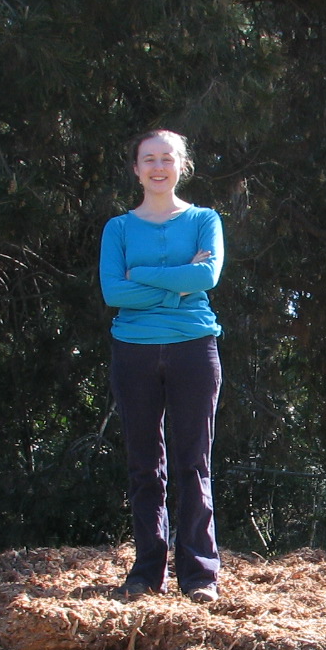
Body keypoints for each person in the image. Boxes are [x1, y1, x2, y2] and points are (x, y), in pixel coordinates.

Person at [99, 129, 225, 602]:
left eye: (166, 158)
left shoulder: (204, 219)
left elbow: (207, 275)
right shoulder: (118, 229)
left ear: (181, 165)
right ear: (135, 168)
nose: (157, 167)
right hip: (133, 349)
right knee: (144, 465)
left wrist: (143, 277)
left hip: (195, 346)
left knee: (194, 462)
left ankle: (200, 576)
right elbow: (113, 291)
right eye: (148, 159)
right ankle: (147, 573)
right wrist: (178, 284)